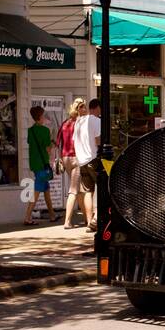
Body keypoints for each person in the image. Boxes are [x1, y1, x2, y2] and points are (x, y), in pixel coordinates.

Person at [74, 98, 101, 232]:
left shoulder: (79, 121)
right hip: (93, 158)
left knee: (87, 192)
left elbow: (75, 140)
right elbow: (98, 141)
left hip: (82, 160)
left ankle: (89, 221)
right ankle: (96, 218)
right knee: (101, 187)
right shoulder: (96, 121)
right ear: (97, 108)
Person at [59, 99, 84, 229]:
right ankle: (67, 221)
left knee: (78, 189)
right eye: (83, 108)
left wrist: (60, 158)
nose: (85, 110)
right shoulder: (79, 123)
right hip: (76, 157)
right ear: (79, 109)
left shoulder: (65, 123)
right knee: (74, 190)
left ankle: (86, 217)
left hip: (65, 157)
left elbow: (59, 142)